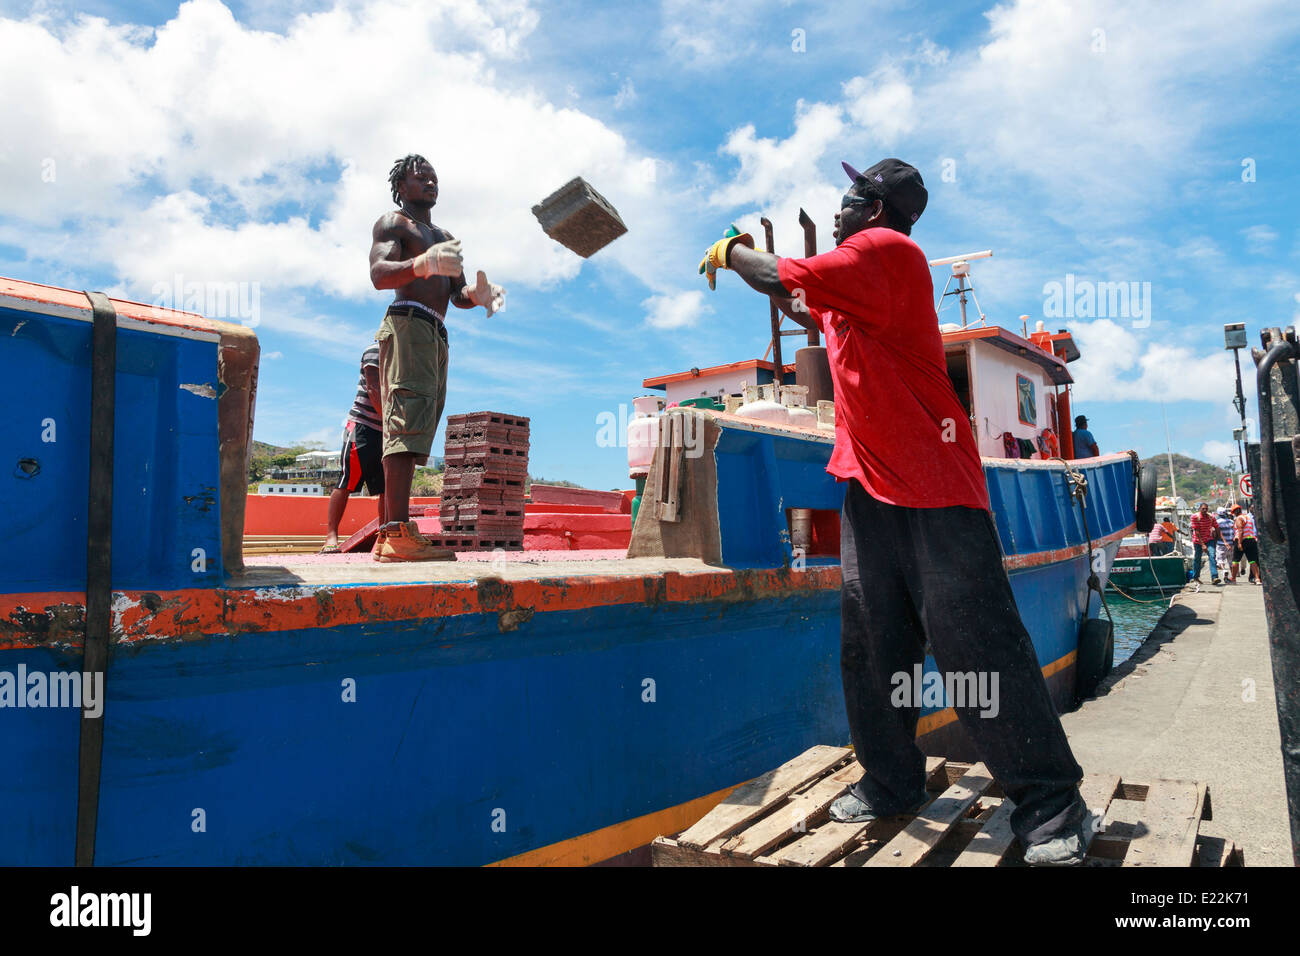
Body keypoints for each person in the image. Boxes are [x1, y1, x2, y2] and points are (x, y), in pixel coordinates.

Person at [702, 157, 1090, 866]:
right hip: (868, 483)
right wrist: (753, 267)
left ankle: (1053, 802)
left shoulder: (887, 252)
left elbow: (777, 276)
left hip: (935, 485)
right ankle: (890, 782)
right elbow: (801, 303)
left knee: (976, 644)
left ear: (875, 209)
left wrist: (734, 250)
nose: (838, 205)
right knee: (875, 643)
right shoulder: (855, 283)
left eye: (849, 197)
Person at [367, 154, 505, 562]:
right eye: (420, 176)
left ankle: (393, 534)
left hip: (434, 332)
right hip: (407, 323)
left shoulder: (444, 235)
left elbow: (455, 293)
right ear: (401, 187)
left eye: (434, 177)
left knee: (419, 424)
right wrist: (422, 263)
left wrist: (477, 297)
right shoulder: (394, 224)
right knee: (405, 420)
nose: (430, 182)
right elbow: (379, 274)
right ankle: (395, 533)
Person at [321, 344, 387, 554]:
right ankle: (331, 536)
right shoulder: (375, 351)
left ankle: (385, 535)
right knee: (347, 481)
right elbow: (373, 389)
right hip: (363, 426)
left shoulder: (400, 356)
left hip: (385, 429)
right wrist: (390, 421)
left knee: (386, 487)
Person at [1189, 501, 1221, 584]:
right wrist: (1202, 544)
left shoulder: (1211, 517)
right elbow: (1196, 531)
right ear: (1199, 509)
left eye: (1206, 509)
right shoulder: (1195, 517)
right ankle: (1196, 577)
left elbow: (1217, 527)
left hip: (1209, 539)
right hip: (1198, 540)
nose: (1204, 510)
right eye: (1203, 509)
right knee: (1197, 558)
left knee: (1212, 556)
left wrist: (1217, 539)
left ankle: (1214, 577)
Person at [1232, 504, 1261, 584]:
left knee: (1235, 560)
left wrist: (1240, 543)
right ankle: (1257, 579)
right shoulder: (1248, 518)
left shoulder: (1239, 518)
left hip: (1242, 540)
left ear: (1234, 512)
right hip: (1251, 539)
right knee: (1252, 561)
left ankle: (1233, 579)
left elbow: (1241, 531)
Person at [1214, 507, 1236, 583]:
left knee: (1220, 560)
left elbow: (1216, 533)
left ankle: (1224, 570)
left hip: (1221, 544)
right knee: (1231, 560)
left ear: (1218, 514)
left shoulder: (1217, 522)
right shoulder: (1231, 522)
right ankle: (1233, 577)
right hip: (1231, 543)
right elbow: (1234, 532)